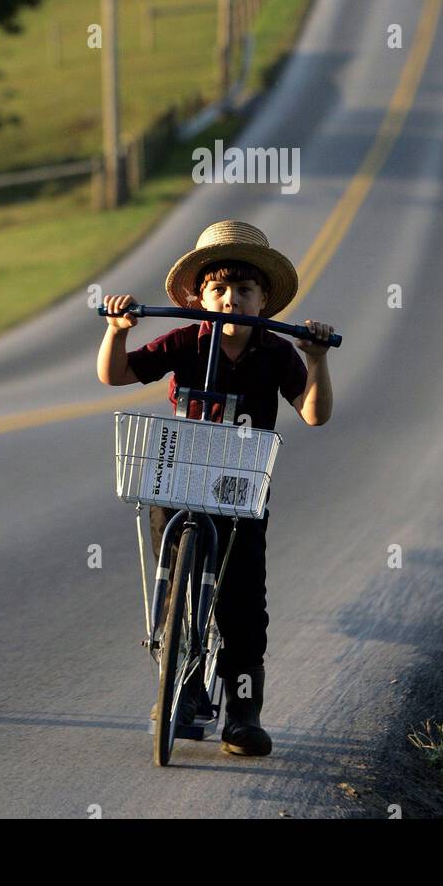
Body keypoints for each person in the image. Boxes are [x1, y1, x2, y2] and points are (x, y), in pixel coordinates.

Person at [96, 219, 335, 756]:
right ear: (199, 295)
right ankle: (175, 689)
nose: (230, 300)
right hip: (177, 479)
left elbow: (316, 414)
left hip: (241, 487)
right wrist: (118, 331)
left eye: (243, 290)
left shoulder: (276, 352)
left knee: (244, 598)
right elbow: (117, 375)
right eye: (218, 289)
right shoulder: (186, 338)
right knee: (171, 586)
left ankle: (243, 713)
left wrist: (316, 362)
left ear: (263, 298)